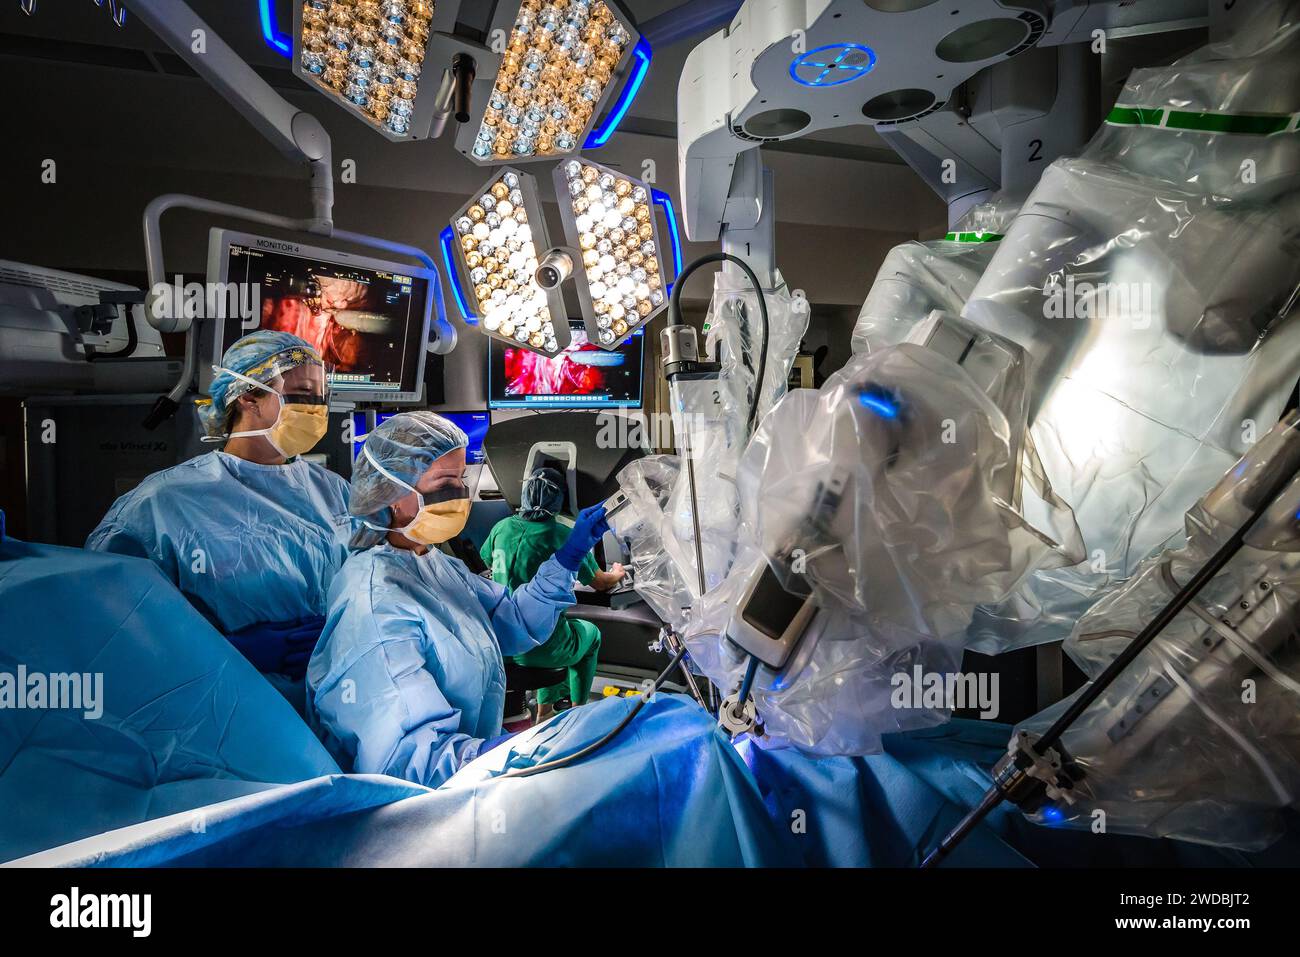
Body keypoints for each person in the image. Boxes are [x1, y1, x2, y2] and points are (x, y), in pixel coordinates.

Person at [306, 411, 611, 788]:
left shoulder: (434, 563)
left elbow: (511, 620)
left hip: (467, 778)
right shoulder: (375, 602)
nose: (461, 494)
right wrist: (525, 751)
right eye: (446, 483)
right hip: (424, 805)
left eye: (462, 479)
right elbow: (415, 760)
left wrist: (568, 557)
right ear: (393, 494)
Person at [86, 330, 353, 711]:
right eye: (303, 394)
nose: (318, 408)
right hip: (224, 713)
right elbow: (112, 633)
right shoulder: (162, 504)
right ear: (247, 395)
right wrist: (226, 651)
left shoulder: (333, 493)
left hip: (337, 706)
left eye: (322, 397)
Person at [481, 467, 625, 722]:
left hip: (501, 644)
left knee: (553, 625)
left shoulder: (501, 528)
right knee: (589, 636)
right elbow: (600, 583)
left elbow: (488, 560)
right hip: (543, 646)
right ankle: (578, 714)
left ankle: (544, 712)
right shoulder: (561, 534)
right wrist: (617, 572)